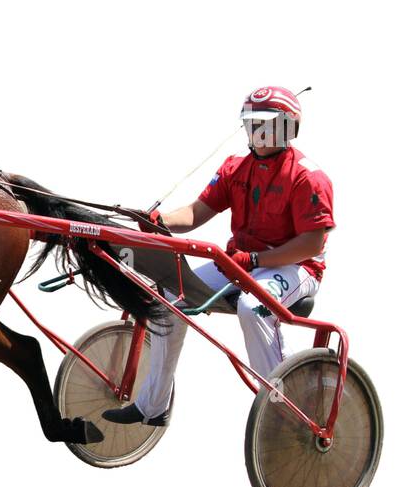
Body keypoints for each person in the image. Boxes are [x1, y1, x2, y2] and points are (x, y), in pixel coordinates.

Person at [103, 86, 335, 427]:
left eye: (264, 123)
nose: (255, 131)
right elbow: (196, 213)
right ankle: (153, 407)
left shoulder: (308, 177)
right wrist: (158, 221)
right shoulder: (235, 167)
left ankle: (282, 408)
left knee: (252, 307)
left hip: (296, 266)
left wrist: (255, 261)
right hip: (240, 263)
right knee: (169, 296)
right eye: (251, 123)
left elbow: (313, 244)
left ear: (288, 127)